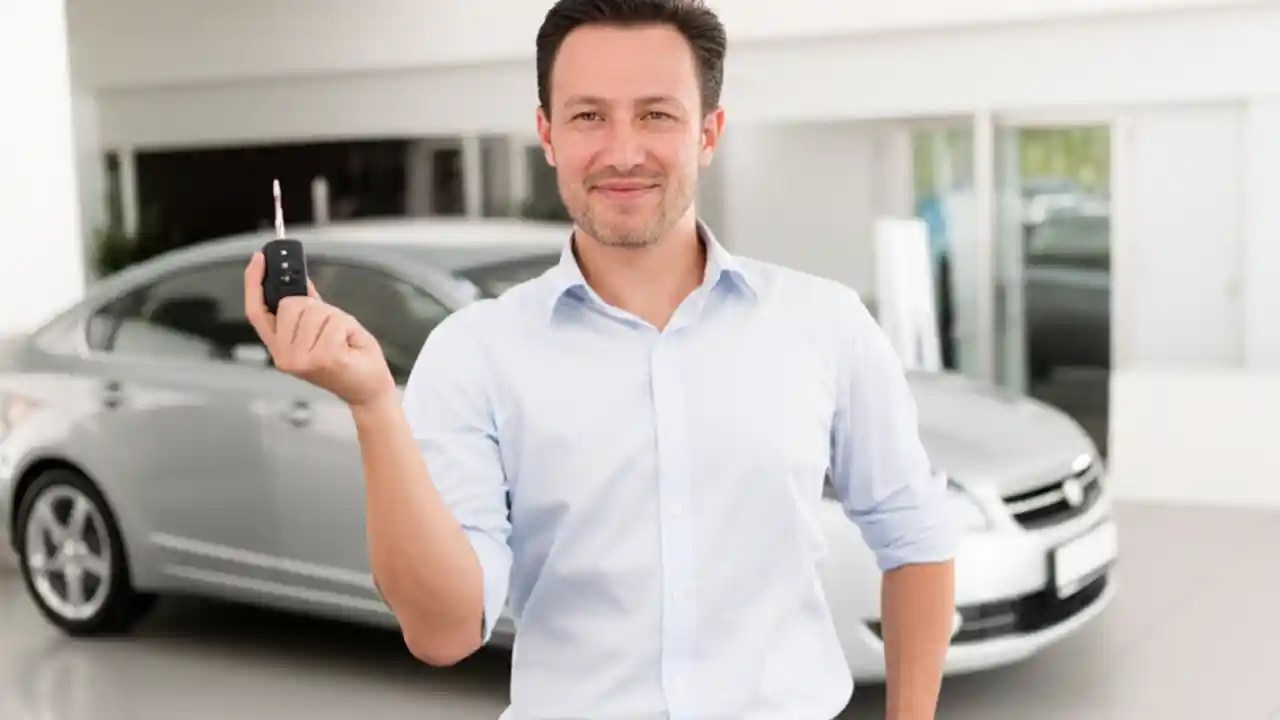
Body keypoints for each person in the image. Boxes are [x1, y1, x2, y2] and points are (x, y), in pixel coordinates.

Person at [243, 1, 961, 717]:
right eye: (589, 116)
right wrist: (373, 406)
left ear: (708, 133)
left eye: (656, 115)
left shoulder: (825, 323)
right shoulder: (474, 352)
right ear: (547, 135)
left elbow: (917, 537)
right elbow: (444, 632)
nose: (622, 151)